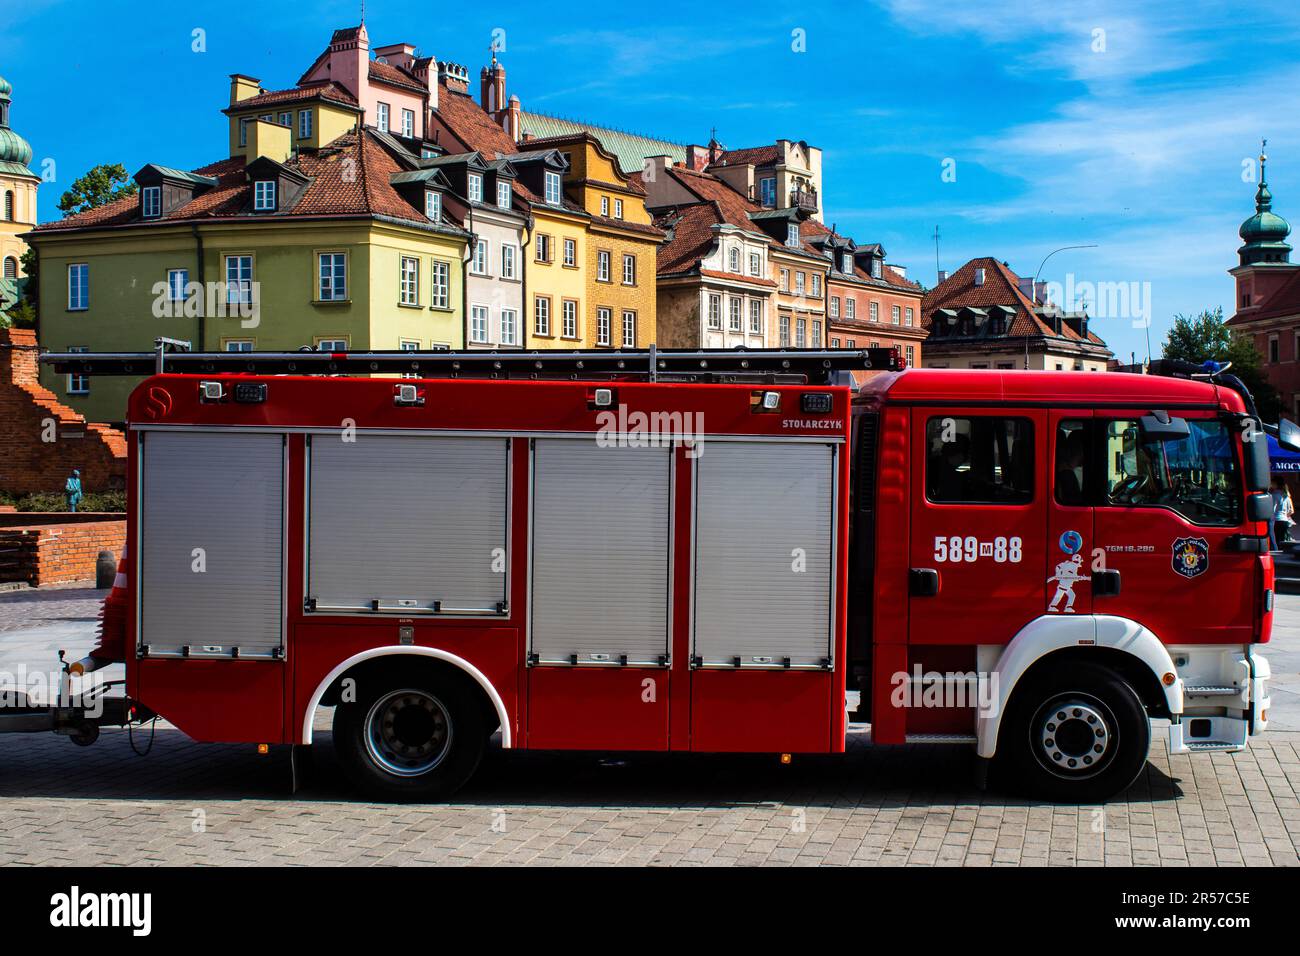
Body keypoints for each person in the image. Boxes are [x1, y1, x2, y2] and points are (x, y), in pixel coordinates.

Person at [1270, 481, 1289, 551]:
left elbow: (1273, 508)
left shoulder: (1274, 495)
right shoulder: (1285, 495)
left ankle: (1277, 552)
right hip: (1285, 519)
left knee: (1276, 538)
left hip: (1277, 519)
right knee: (1282, 539)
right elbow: (1288, 509)